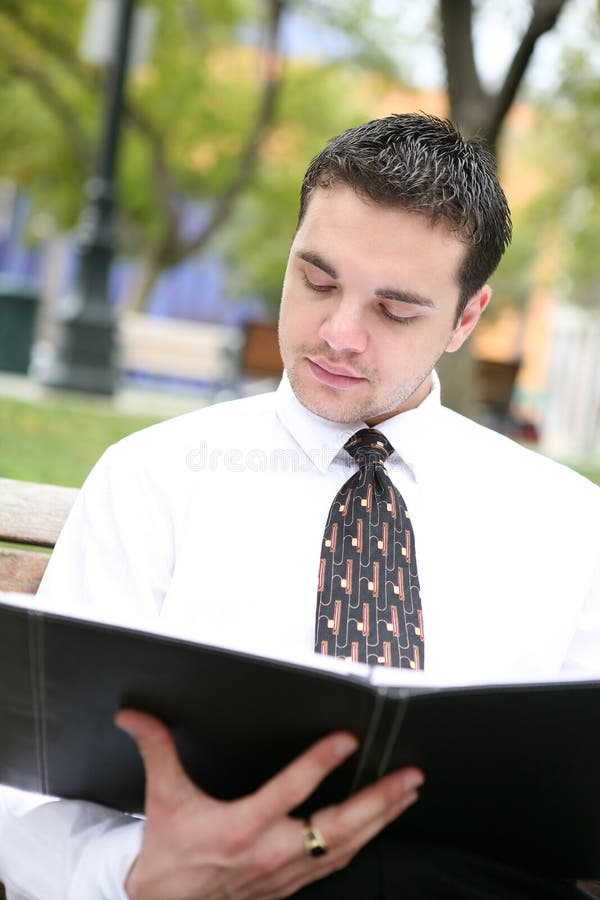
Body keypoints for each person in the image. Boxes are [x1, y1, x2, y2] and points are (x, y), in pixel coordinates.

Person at [1, 113, 599, 900]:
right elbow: (29, 792)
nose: (339, 334)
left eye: (395, 310)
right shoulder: (154, 480)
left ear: (466, 318)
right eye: (317, 281)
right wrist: (138, 875)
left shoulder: (570, 524)